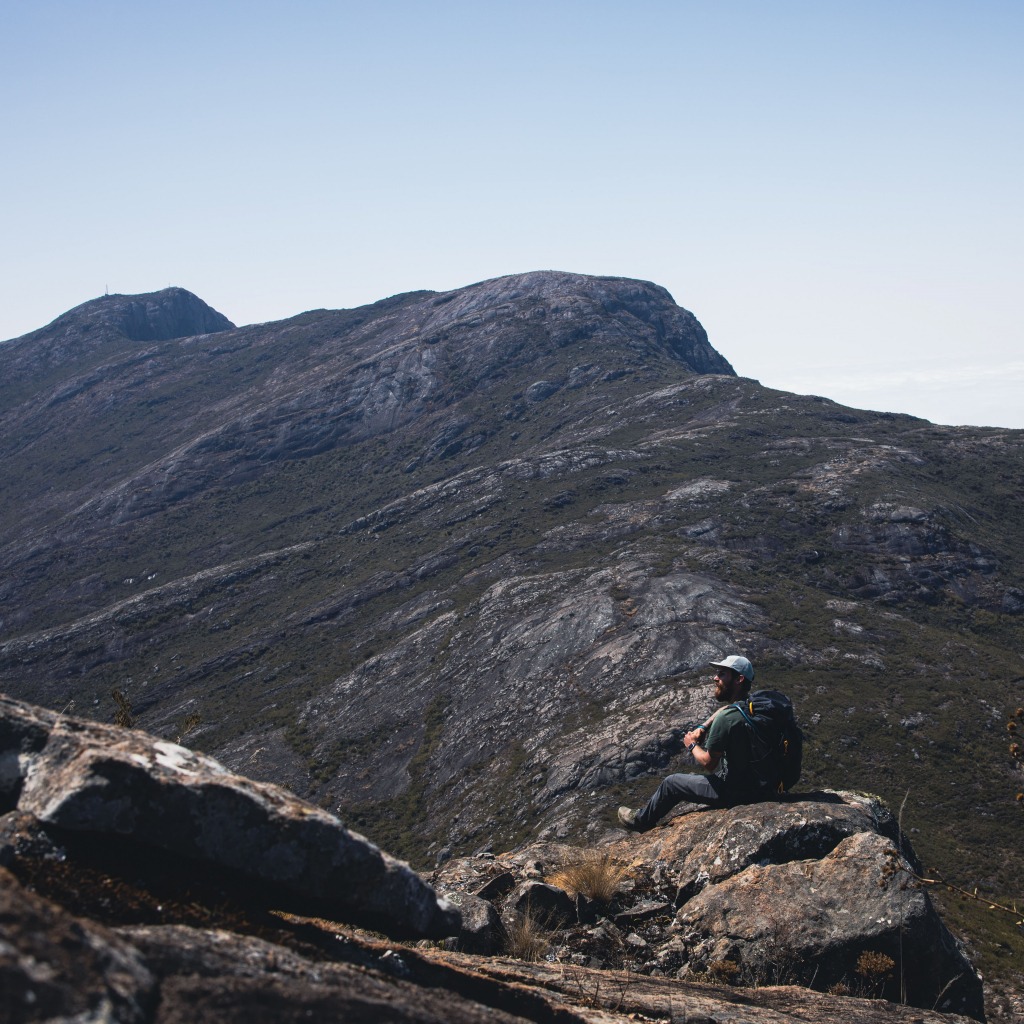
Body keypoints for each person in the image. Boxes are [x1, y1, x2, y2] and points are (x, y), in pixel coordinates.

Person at [617, 655, 763, 832]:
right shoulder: (755, 706)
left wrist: (692, 745)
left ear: (739, 679)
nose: (715, 678)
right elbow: (726, 709)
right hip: (766, 785)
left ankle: (641, 820)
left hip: (739, 792)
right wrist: (704, 726)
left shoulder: (727, 719)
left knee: (672, 783)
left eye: (722, 674)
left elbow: (709, 763)